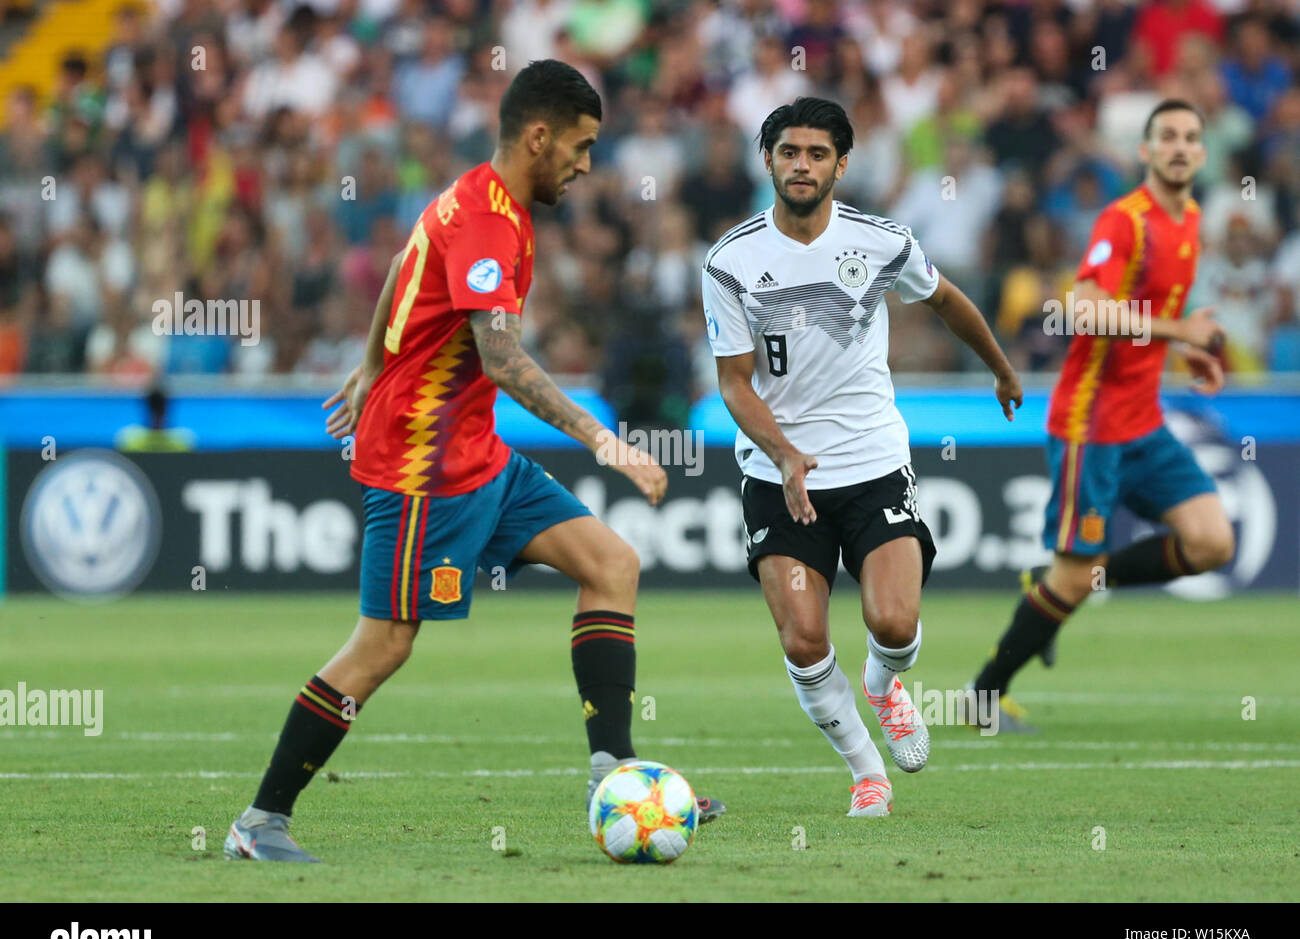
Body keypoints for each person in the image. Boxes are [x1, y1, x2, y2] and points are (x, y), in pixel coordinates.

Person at [225, 60, 723, 862]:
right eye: (581, 146)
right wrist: (605, 440)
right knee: (384, 644)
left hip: (479, 457)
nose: (586, 164)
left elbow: (400, 268)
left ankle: (615, 772)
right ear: (538, 135)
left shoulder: (478, 199)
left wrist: (370, 362)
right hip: (422, 469)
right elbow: (502, 360)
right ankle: (259, 823)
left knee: (611, 564)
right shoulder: (491, 221)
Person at [702, 97, 1022, 817]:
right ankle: (865, 770)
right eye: (789, 152)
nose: (802, 165)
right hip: (775, 475)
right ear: (769, 161)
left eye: (818, 154)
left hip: (872, 460)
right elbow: (733, 383)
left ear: (841, 165)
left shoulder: (881, 243)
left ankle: (884, 686)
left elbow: (947, 301)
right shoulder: (731, 261)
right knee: (805, 634)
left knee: (894, 624)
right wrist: (783, 455)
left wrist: (999, 367)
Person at [965, 99, 1235, 732]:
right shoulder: (1125, 221)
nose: (1178, 146)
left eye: (1191, 137)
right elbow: (1084, 311)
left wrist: (1185, 351)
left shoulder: (1192, 218)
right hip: (1091, 425)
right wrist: (1179, 330)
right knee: (1076, 577)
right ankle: (982, 695)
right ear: (1144, 151)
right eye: (1165, 135)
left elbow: (1152, 312)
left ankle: (1057, 582)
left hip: (1144, 421)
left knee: (1211, 541)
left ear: (1202, 152)